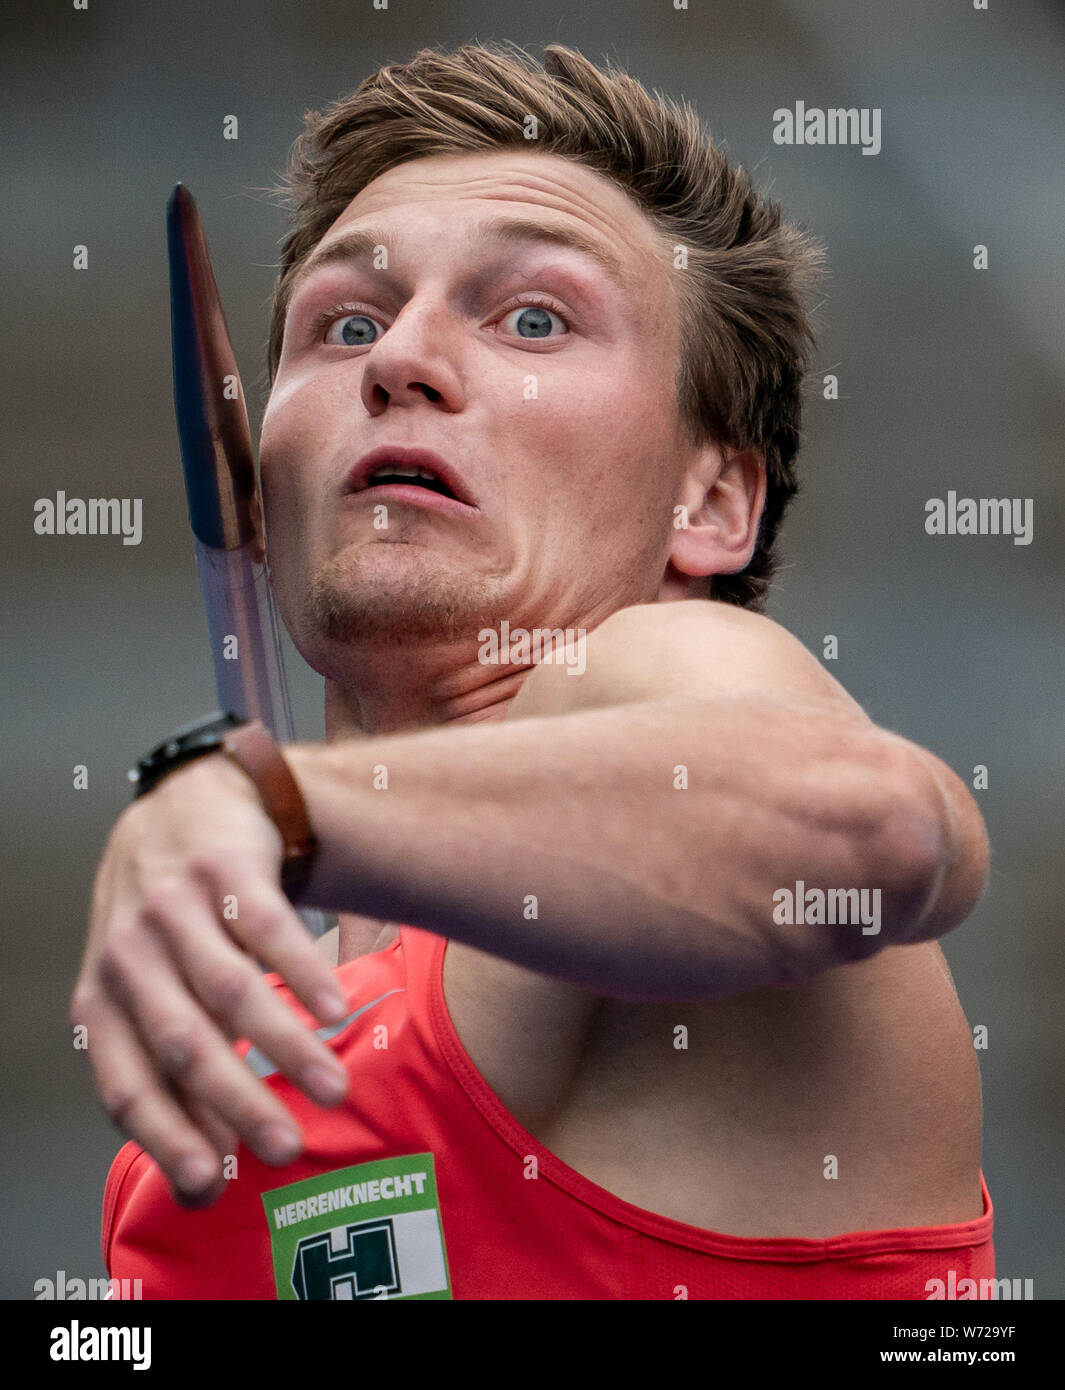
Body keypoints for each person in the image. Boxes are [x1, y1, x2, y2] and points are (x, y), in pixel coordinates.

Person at [75, 42, 993, 1299]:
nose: (398, 359)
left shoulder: (660, 664)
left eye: (534, 317)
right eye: (347, 322)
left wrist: (271, 805)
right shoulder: (200, 1104)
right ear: (257, 475)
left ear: (710, 500)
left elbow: (882, 830)